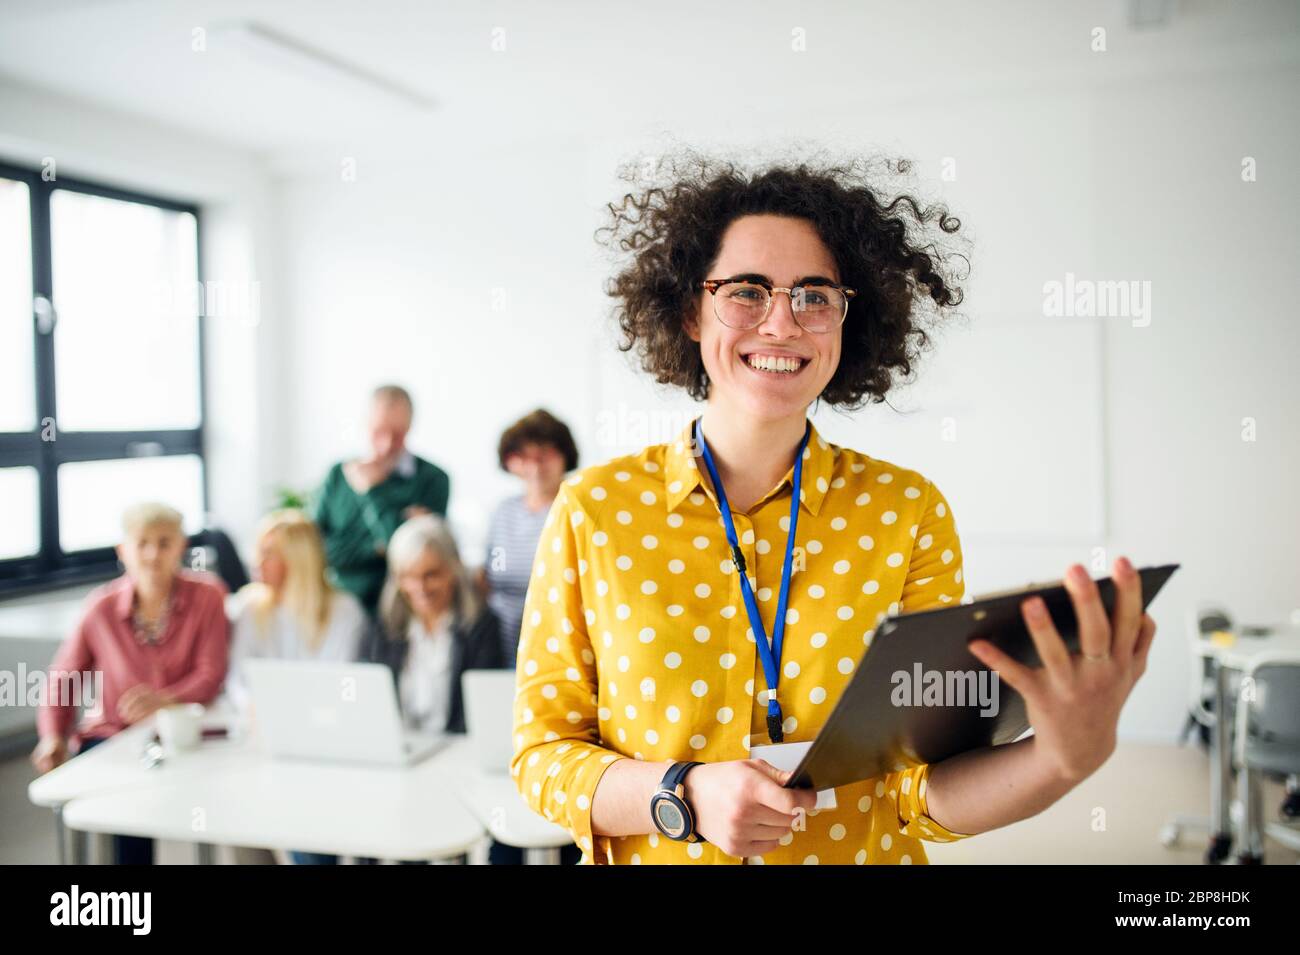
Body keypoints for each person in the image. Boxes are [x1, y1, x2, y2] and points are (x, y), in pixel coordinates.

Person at [511, 153, 1159, 865]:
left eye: (815, 295)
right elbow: (543, 756)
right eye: (747, 291)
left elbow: (918, 791)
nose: (783, 323)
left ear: (849, 319)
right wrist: (683, 794)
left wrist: (1063, 758)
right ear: (692, 311)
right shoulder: (595, 508)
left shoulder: (906, 511)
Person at [364, 515, 578, 863]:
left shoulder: (480, 624)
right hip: (404, 758)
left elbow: (482, 708)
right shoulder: (387, 625)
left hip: (458, 760)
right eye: (407, 576)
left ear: (453, 569)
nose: (419, 587)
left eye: (431, 573)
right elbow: (371, 699)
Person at [31, 502, 229, 865]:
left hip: (183, 734)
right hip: (113, 736)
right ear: (124, 551)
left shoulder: (209, 596)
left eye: (165, 543)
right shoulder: (100, 608)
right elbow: (63, 679)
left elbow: (210, 675)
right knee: (127, 811)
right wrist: (52, 735)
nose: (153, 554)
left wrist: (164, 699)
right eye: (142, 543)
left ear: (181, 547)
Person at [223, 509, 368, 866]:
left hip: (323, 750)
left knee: (309, 828)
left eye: (269, 552)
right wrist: (262, 707)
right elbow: (239, 682)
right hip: (262, 740)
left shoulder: (345, 612)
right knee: (237, 820)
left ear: (298, 560)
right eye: (258, 550)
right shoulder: (249, 607)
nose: (257, 561)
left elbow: (339, 687)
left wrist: (285, 709)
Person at [315, 384, 451, 615]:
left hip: (398, 610)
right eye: (379, 432)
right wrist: (378, 546)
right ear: (365, 425)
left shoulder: (432, 479)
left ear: (409, 428)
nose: (387, 444)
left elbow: (414, 557)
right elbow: (315, 549)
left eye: (397, 435)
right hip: (338, 606)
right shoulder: (337, 475)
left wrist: (373, 491)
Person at [480, 409, 579, 661]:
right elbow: (489, 574)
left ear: (564, 457)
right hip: (500, 643)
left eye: (544, 455)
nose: (534, 466)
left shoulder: (575, 507)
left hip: (557, 641)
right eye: (524, 457)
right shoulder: (504, 511)